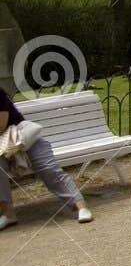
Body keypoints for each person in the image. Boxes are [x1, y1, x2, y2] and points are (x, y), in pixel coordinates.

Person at [0, 86, 92, 230]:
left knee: (47, 167)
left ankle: (80, 206)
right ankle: (8, 214)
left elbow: (1, 125)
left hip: (22, 137)